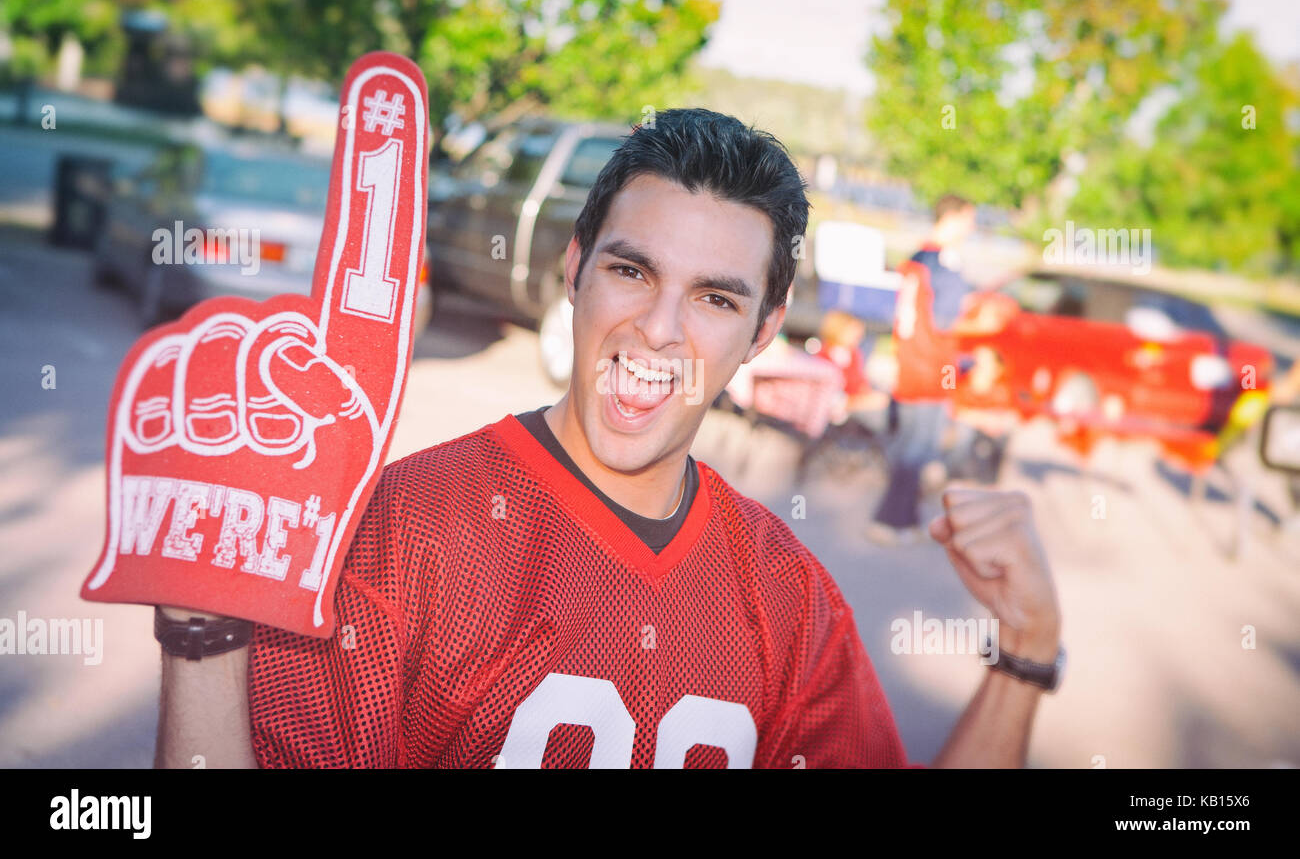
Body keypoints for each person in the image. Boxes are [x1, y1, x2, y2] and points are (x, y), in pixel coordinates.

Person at [155, 110, 1062, 768]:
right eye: (632, 271)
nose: (660, 329)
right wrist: (202, 623)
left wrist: (1025, 648)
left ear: (764, 330)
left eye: (716, 298)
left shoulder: (791, 600)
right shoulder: (403, 527)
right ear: (575, 270)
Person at [868, 195, 980, 544]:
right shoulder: (944, 264)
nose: (972, 227)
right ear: (955, 217)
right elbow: (946, 321)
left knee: (916, 449)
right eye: (969, 219)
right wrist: (979, 315)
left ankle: (906, 520)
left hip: (913, 363)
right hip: (929, 368)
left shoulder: (919, 258)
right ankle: (888, 520)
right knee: (918, 451)